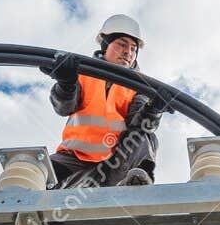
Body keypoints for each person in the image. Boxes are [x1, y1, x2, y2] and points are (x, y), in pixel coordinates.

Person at [44, 14, 161, 190]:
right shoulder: (83, 73)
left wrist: (153, 109)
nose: (128, 52)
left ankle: (137, 183)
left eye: (133, 48)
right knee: (40, 174)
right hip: (74, 158)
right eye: (122, 44)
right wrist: (66, 84)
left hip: (118, 162)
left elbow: (139, 122)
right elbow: (64, 107)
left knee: (143, 132)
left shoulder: (141, 84)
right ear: (105, 45)